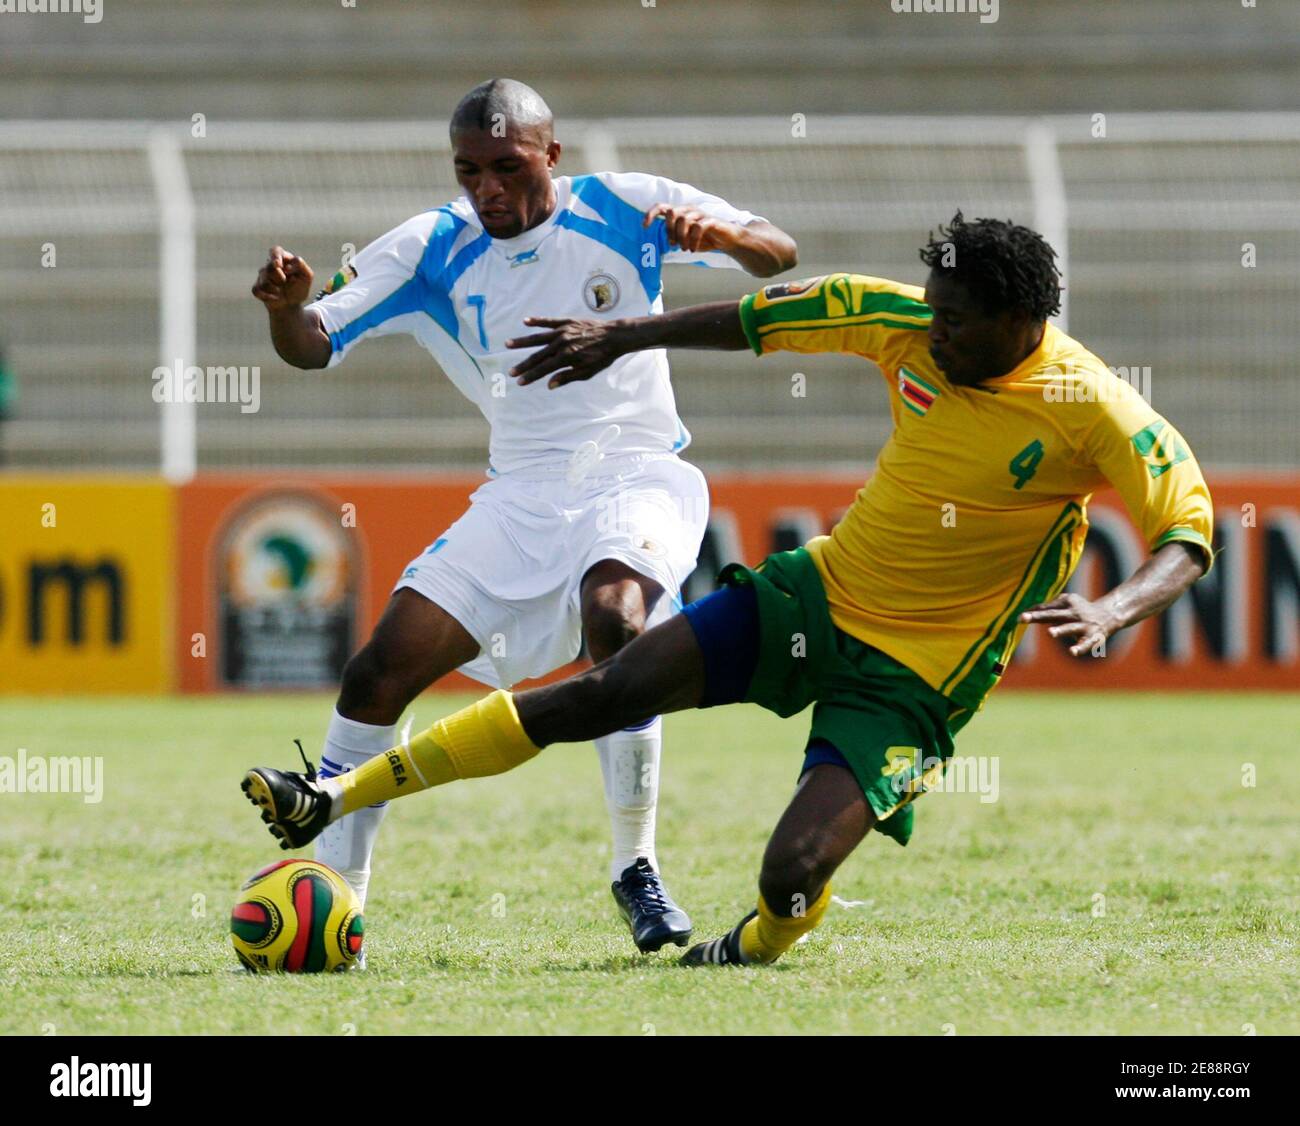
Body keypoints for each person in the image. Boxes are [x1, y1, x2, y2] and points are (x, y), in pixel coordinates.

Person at [244, 212, 1212, 967]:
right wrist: (622, 337)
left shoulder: (1091, 404)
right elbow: (761, 319)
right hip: (816, 599)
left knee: (789, 880)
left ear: (1021, 324)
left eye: (954, 320)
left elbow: (1188, 531)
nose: (933, 329)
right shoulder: (907, 325)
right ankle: (333, 796)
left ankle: (746, 948)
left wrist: (1114, 606)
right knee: (604, 685)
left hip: (913, 678)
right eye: (930, 307)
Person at [249, 79, 797, 957]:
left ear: (552, 155)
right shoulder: (435, 243)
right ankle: (340, 902)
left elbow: (779, 254)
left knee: (618, 620)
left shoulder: (622, 204)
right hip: (521, 494)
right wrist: (285, 311)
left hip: (638, 474)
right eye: (470, 171)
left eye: (507, 167)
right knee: (378, 670)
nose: (488, 189)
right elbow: (314, 345)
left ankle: (636, 868)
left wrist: (730, 236)